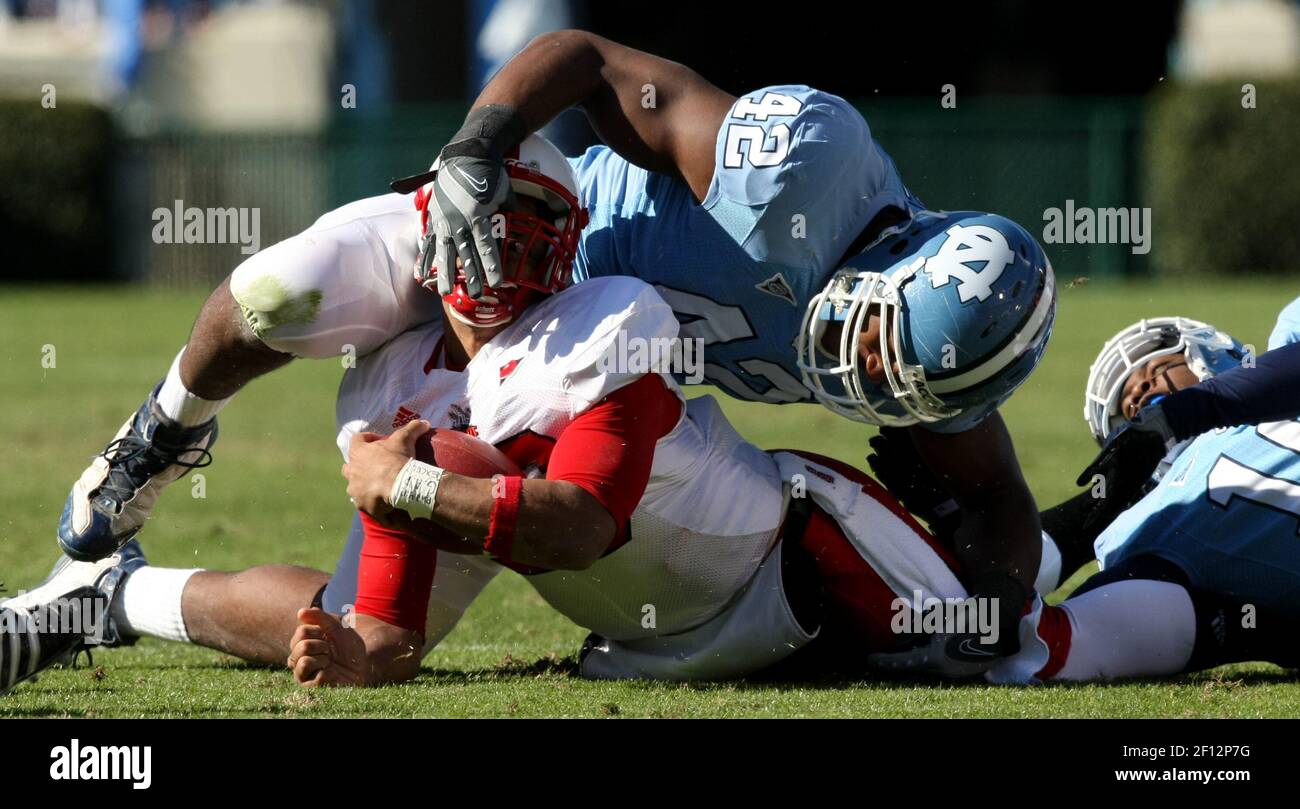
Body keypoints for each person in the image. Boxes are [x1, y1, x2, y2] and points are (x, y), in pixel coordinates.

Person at [59, 31, 1055, 671]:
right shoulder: (797, 167)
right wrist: (478, 147)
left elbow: (1000, 499)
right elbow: (585, 58)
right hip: (529, 234)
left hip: (565, 364)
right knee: (282, 289)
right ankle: (164, 430)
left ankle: (120, 596)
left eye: (899, 386)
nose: (862, 373)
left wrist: (996, 606)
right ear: (898, 256)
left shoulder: (930, 373)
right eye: (874, 338)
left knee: (373, 640)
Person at [873, 302, 1300, 682]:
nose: (1138, 395)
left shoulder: (1286, 343)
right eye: (1126, 414)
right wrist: (963, 517)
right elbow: (1041, 628)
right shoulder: (1143, 528)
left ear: (1215, 355)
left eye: (1154, 369)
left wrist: (1181, 414)